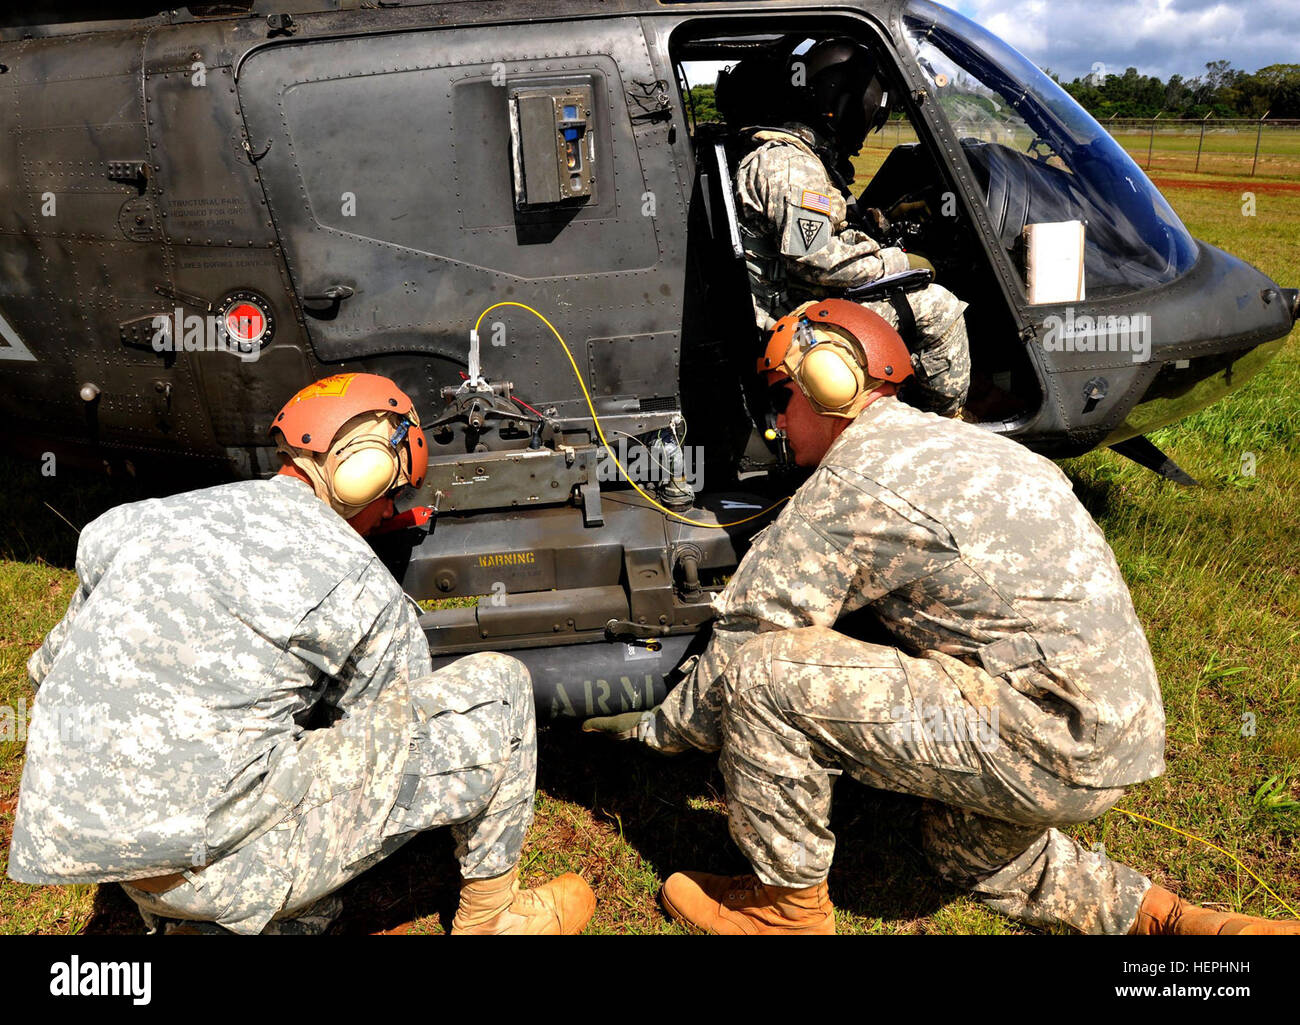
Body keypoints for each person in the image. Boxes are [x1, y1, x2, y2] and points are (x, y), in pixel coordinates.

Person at [585, 301, 1298, 936]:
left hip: (1048, 733)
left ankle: (786, 911)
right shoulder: (971, 444)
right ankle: (1169, 918)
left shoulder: (853, 481)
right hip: (1118, 738)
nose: (774, 419)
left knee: (762, 676)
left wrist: (649, 726)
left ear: (828, 384)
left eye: (781, 396)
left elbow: (751, 634)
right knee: (962, 849)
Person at [8, 372, 594, 935]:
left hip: (90, 854)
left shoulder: (140, 521)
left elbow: (48, 672)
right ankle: (494, 919)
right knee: (501, 689)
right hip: (219, 867)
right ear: (365, 474)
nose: (390, 512)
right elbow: (399, 727)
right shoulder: (357, 580)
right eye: (394, 494)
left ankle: (220, 919)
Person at [718, 36, 970, 417]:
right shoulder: (791, 164)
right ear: (846, 106)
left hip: (793, 300)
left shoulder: (797, 158)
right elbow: (816, 258)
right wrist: (900, 264)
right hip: (790, 319)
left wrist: (884, 220)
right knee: (938, 307)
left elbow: (819, 231)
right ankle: (944, 423)